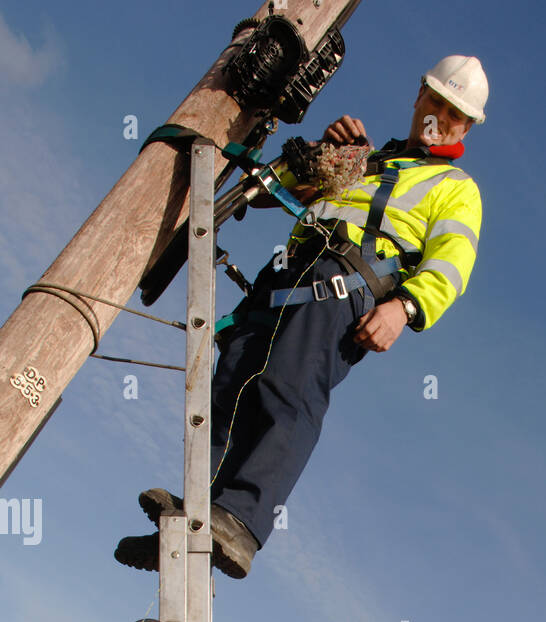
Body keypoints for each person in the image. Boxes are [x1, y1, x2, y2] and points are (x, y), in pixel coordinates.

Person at [115, 55, 488, 579]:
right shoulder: (369, 158)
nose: (440, 116)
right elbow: (278, 188)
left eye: (454, 113)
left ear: (467, 125)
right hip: (288, 275)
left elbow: (451, 261)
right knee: (231, 385)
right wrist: (323, 153)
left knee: (287, 387)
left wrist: (405, 308)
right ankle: (196, 516)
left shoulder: (456, 188)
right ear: (418, 97)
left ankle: (240, 520)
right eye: (435, 101)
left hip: (347, 286)